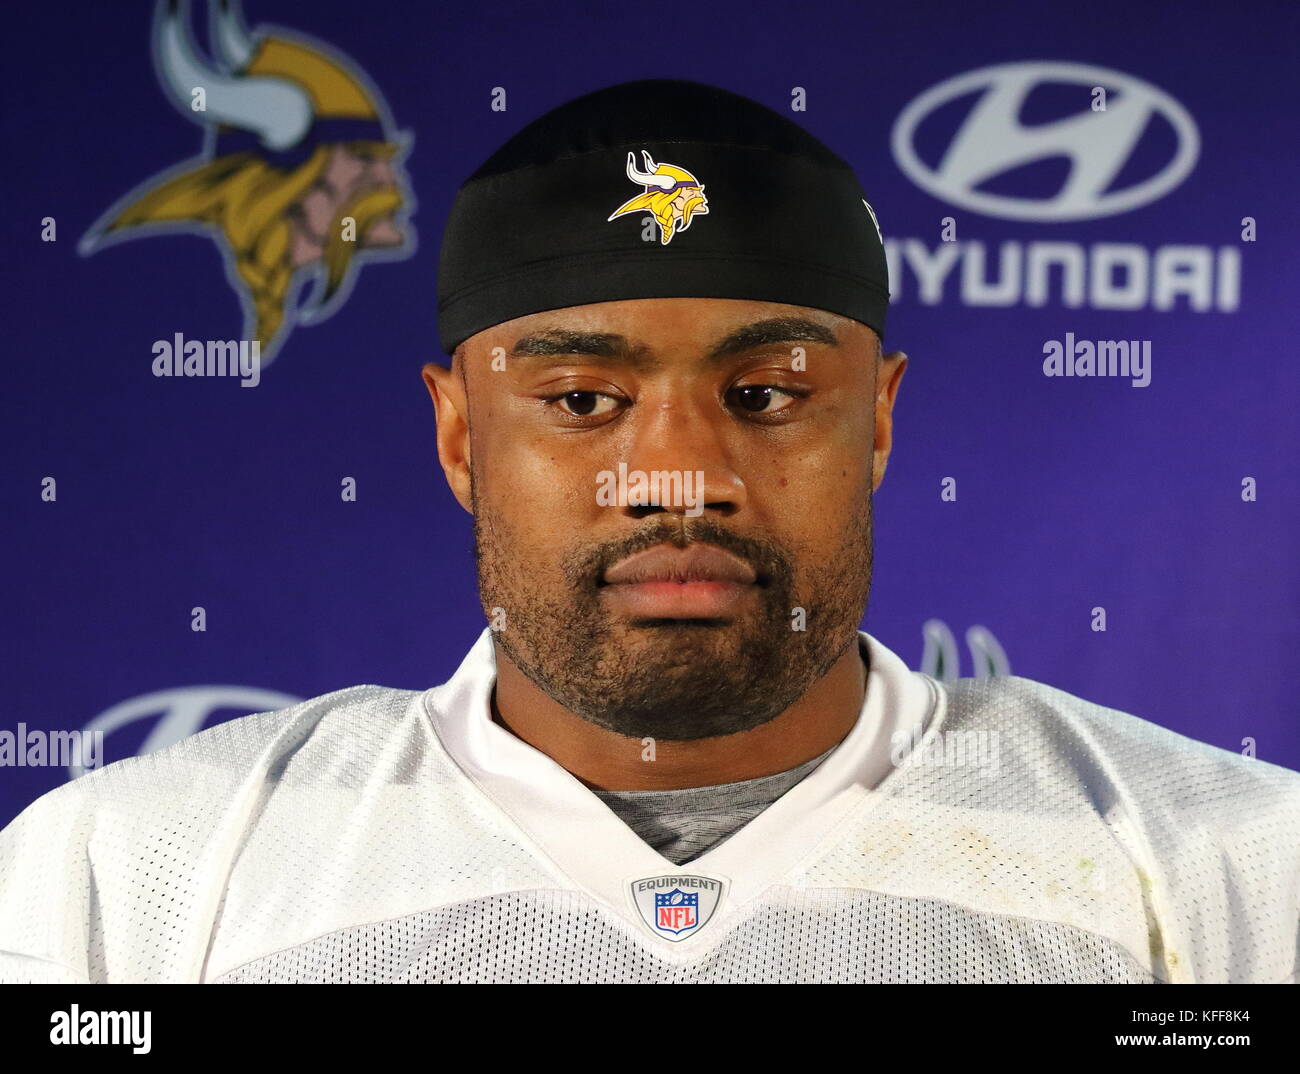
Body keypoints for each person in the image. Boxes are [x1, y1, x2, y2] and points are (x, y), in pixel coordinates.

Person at [1, 80, 1296, 984]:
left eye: (767, 395)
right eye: (580, 401)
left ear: (881, 423)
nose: (677, 477)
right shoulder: (134, 876)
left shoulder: (1229, 865)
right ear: (459, 437)